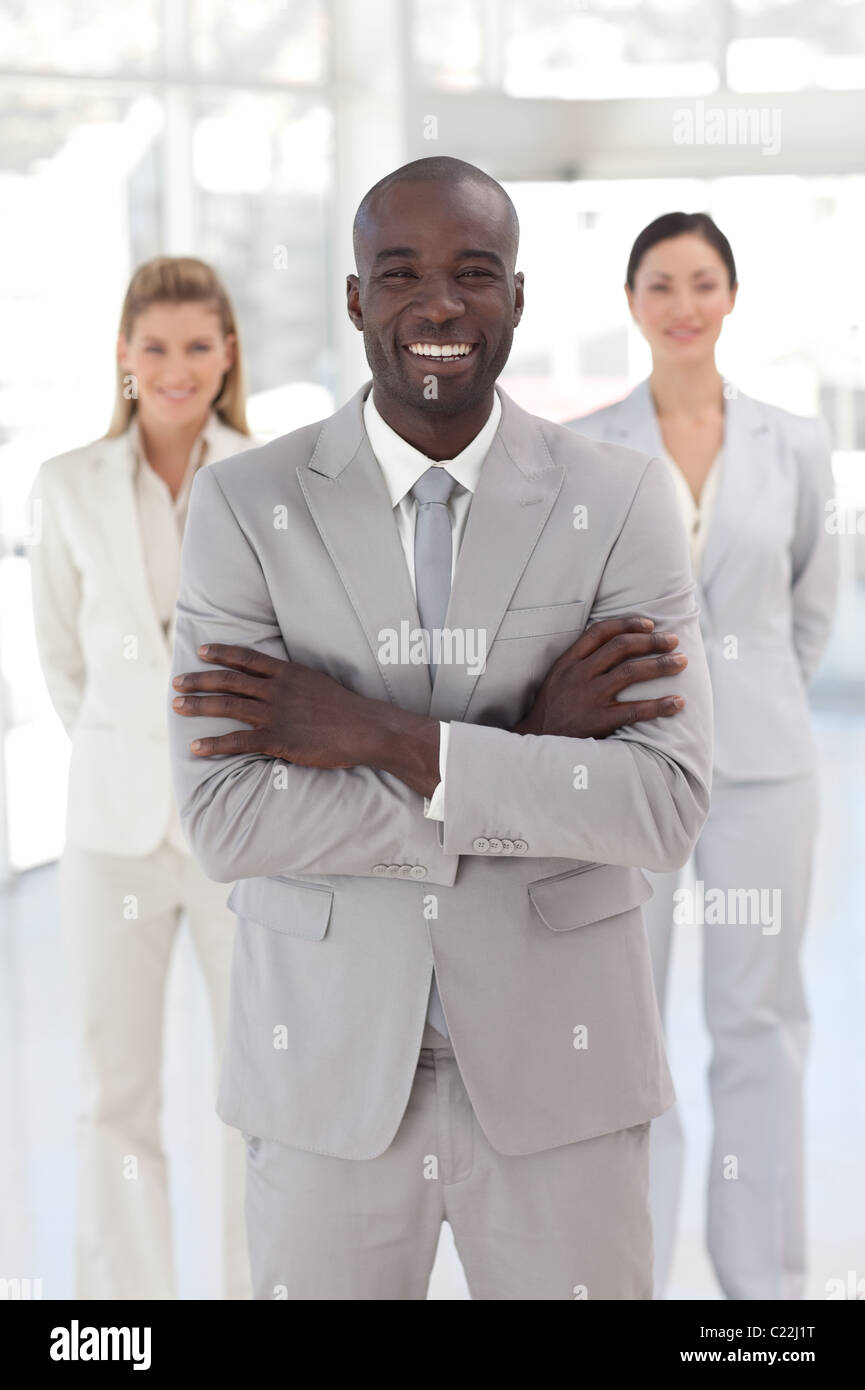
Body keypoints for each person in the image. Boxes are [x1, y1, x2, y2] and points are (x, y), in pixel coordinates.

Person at [167, 158, 713, 1301]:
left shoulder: (619, 498)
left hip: (564, 1079)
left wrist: (379, 735)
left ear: (517, 296)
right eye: (400, 272)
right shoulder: (244, 507)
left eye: (474, 272)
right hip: (325, 1078)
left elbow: (660, 806)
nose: (439, 305)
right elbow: (225, 818)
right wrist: (526, 742)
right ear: (355, 299)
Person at [570, 212, 839, 1300]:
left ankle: (763, 1286)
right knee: (630, 1030)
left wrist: (744, 698)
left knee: (758, 1019)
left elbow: (806, 610)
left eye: (702, 282)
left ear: (730, 297)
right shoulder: (590, 447)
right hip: (635, 773)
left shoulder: (795, 443)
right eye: (660, 283)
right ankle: (629, 1273)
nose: (682, 303)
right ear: (631, 302)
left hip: (765, 772)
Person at [28, 256, 258, 1299]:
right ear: (124, 354)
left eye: (197, 346)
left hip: (235, 827)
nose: (175, 368)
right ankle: (129, 1314)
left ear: (227, 355)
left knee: (258, 1088)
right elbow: (62, 661)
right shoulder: (66, 484)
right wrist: (132, 749)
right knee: (114, 1093)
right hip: (110, 831)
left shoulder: (264, 477)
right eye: (155, 346)